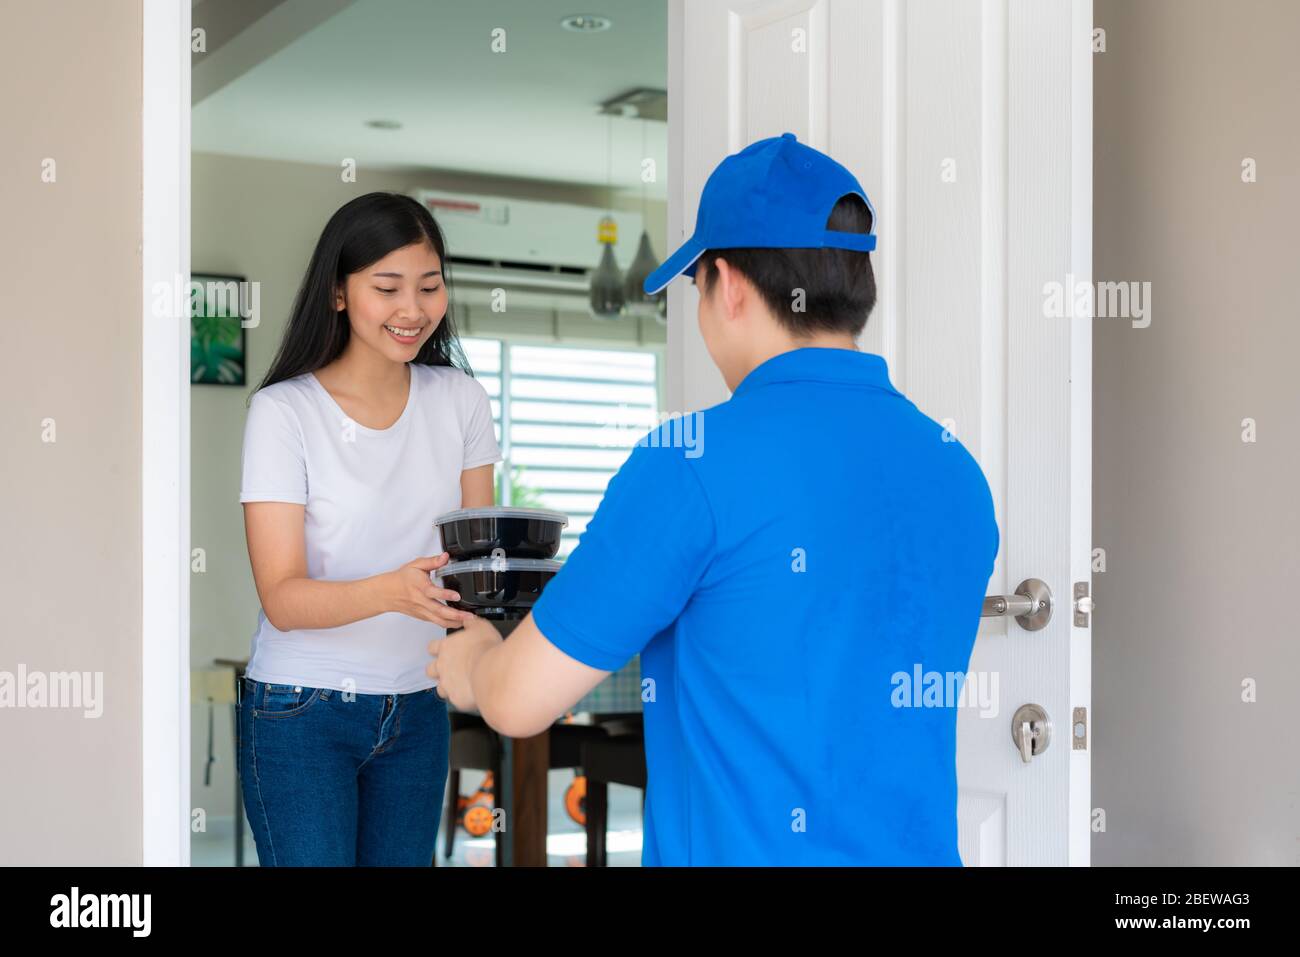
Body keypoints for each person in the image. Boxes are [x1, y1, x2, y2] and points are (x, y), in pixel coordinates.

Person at [428, 133, 999, 865]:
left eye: (696, 287)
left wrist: (474, 662)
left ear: (727, 284)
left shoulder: (689, 463)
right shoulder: (956, 470)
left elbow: (519, 699)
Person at [237, 192, 499, 866]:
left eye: (429, 285)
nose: (413, 308)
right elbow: (283, 598)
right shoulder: (284, 413)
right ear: (338, 294)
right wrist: (392, 591)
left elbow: (476, 564)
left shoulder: (462, 401)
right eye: (387, 287)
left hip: (416, 709)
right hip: (301, 712)